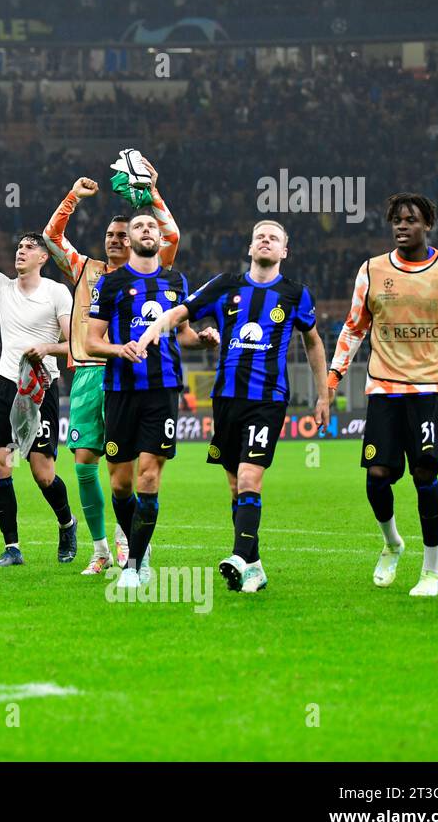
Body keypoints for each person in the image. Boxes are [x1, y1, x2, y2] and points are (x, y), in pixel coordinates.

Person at [137, 220, 328, 593]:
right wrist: (151, 331)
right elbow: (181, 312)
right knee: (234, 487)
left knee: (249, 477)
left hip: (267, 399)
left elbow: (314, 343)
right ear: (250, 248)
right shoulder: (226, 284)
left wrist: (324, 395)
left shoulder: (295, 293)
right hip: (226, 398)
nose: (266, 241)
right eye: (260, 237)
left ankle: (239, 556)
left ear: (284, 251)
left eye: (274, 238)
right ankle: (254, 567)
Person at [327, 193, 438, 596]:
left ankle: (432, 570)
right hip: (385, 386)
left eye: (411, 220)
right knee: (376, 477)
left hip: (432, 385)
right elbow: (354, 328)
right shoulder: (372, 270)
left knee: (425, 471)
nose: (402, 226)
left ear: (427, 225)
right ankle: (391, 544)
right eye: (397, 221)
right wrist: (335, 374)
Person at [42, 165, 180, 574]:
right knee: (84, 463)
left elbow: (170, 235)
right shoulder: (85, 269)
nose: (116, 240)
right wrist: (73, 196)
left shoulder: (151, 269)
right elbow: (51, 238)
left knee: (129, 471)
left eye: (123, 235)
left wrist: (153, 193)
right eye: (110, 235)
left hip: (133, 377)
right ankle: (100, 549)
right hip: (89, 372)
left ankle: (128, 544)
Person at [86, 210, 219, 590]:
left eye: (152, 227)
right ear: (128, 239)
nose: (147, 231)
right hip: (121, 389)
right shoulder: (110, 285)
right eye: (139, 227)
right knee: (120, 484)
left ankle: (135, 564)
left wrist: (203, 338)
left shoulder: (176, 281)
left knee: (149, 475)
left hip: (163, 391)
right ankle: (138, 549)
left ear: (160, 239)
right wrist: (118, 348)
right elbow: (90, 341)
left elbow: (183, 334)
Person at [0, 191, 76, 566]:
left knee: (42, 474)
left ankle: (67, 524)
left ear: (43, 257)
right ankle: (12, 548)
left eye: (29, 247)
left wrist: (46, 347)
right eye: (19, 246)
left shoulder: (57, 293)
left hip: (41, 388)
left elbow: (73, 345)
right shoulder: (2, 287)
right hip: (7, 385)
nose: (21, 251)